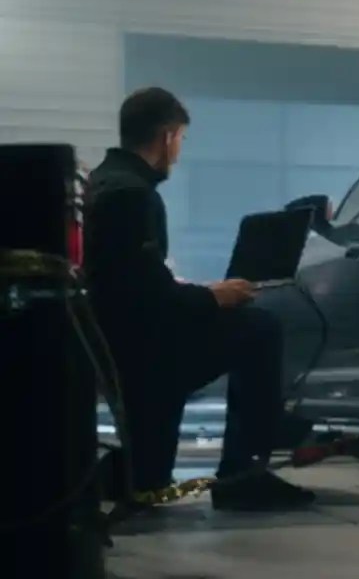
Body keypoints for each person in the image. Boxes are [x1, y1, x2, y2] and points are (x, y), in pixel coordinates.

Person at [84, 87, 315, 511]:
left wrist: (202, 292)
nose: (179, 152)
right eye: (182, 141)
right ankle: (243, 477)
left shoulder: (99, 183)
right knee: (260, 328)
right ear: (168, 136)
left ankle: (129, 475)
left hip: (111, 348)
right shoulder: (134, 196)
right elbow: (145, 300)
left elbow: (130, 284)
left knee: (149, 479)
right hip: (142, 356)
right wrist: (212, 299)